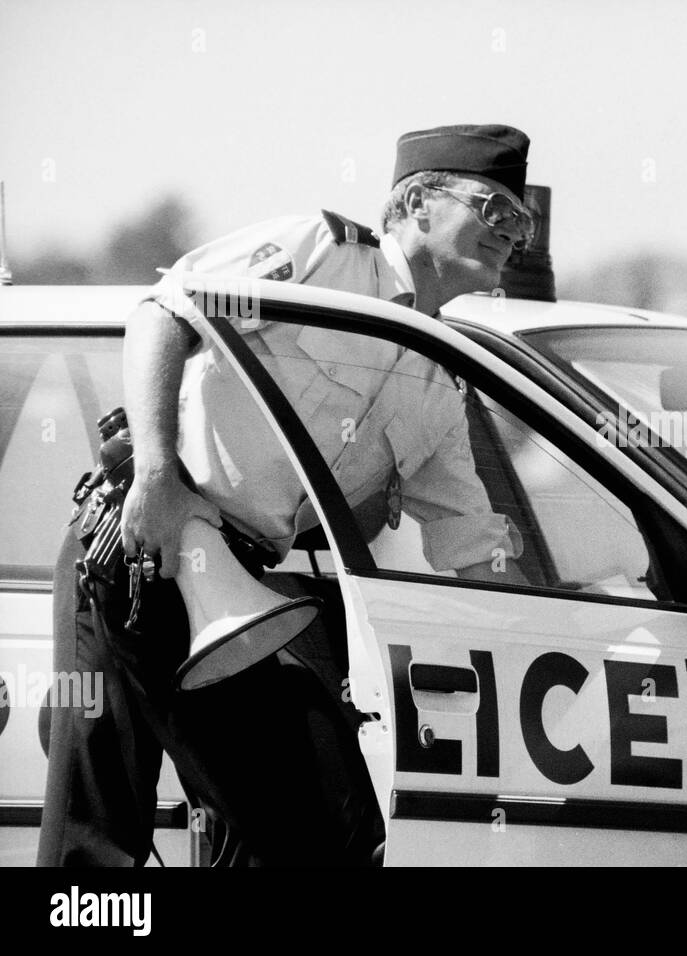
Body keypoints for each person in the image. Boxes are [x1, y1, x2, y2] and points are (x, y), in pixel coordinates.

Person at [39, 124, 532, 866]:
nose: (510, 234)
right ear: (418, 204)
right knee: (96, 842)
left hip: (234, 594)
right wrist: (157, 474)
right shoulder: (323, 254)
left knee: (316, 834)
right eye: (491, 208)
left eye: (520, 222)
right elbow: (163, 313)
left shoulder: (437, 379)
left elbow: (475, 546)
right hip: (135, 546)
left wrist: (592, 616)